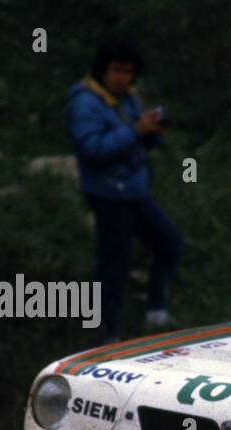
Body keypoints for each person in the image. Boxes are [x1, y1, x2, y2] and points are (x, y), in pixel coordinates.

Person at [65, 35, 183, 342]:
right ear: (103, 69)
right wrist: (135, 130)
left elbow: (141, 142)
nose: (123, 78)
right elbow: (93, 149)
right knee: (113, 265)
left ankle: (156, 310)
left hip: (133, 191)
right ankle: (106, 334)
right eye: (117, 70)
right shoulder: (84, 102)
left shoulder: (128, 97)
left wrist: (153, 130)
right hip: (107, 194)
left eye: (128, 72)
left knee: (169, 242)